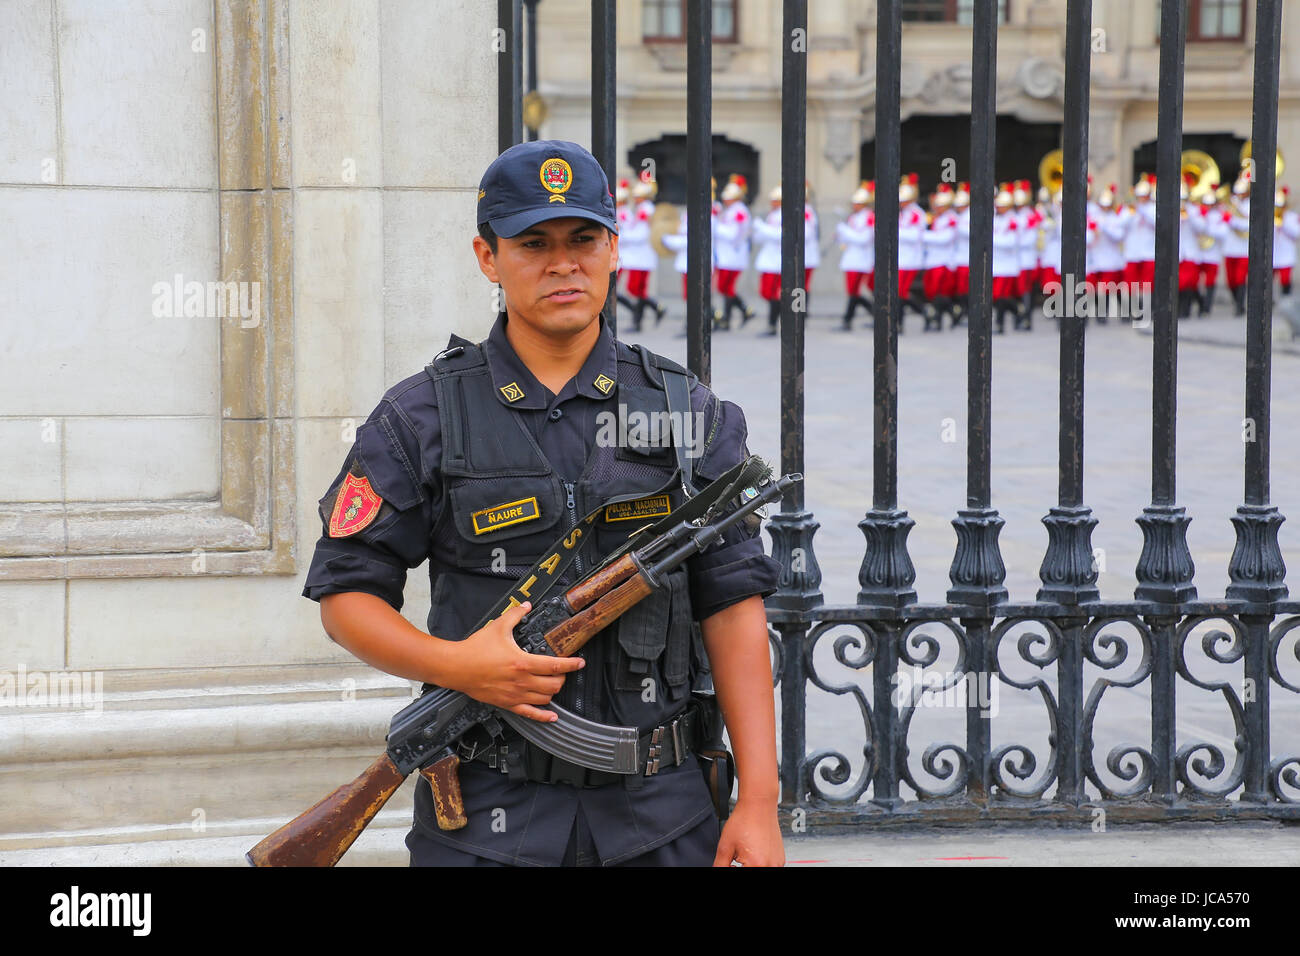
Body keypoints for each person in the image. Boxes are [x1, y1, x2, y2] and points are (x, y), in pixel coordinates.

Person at [302, 139, 785, 868]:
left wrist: (759, 801)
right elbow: (345, 595)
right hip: (485, 821)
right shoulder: (421, 416)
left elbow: (733, 608)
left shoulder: (689, 412)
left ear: (615, 248)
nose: (564, 263)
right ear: (488, 257)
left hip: (662, 817)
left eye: (583, 239)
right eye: (534, 243)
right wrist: (459, 667)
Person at [836, 180, 876, 330]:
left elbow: (864, 239)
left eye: (857, 203)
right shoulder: (853, 217)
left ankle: (848, 319)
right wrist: (841, 234)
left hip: (862, 258)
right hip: (851, 258)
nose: (854, 206)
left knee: (854, 291)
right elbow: (848, 238)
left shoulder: (869, 217)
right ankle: (870, 314)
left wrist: (845, 231)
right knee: (852, 291)